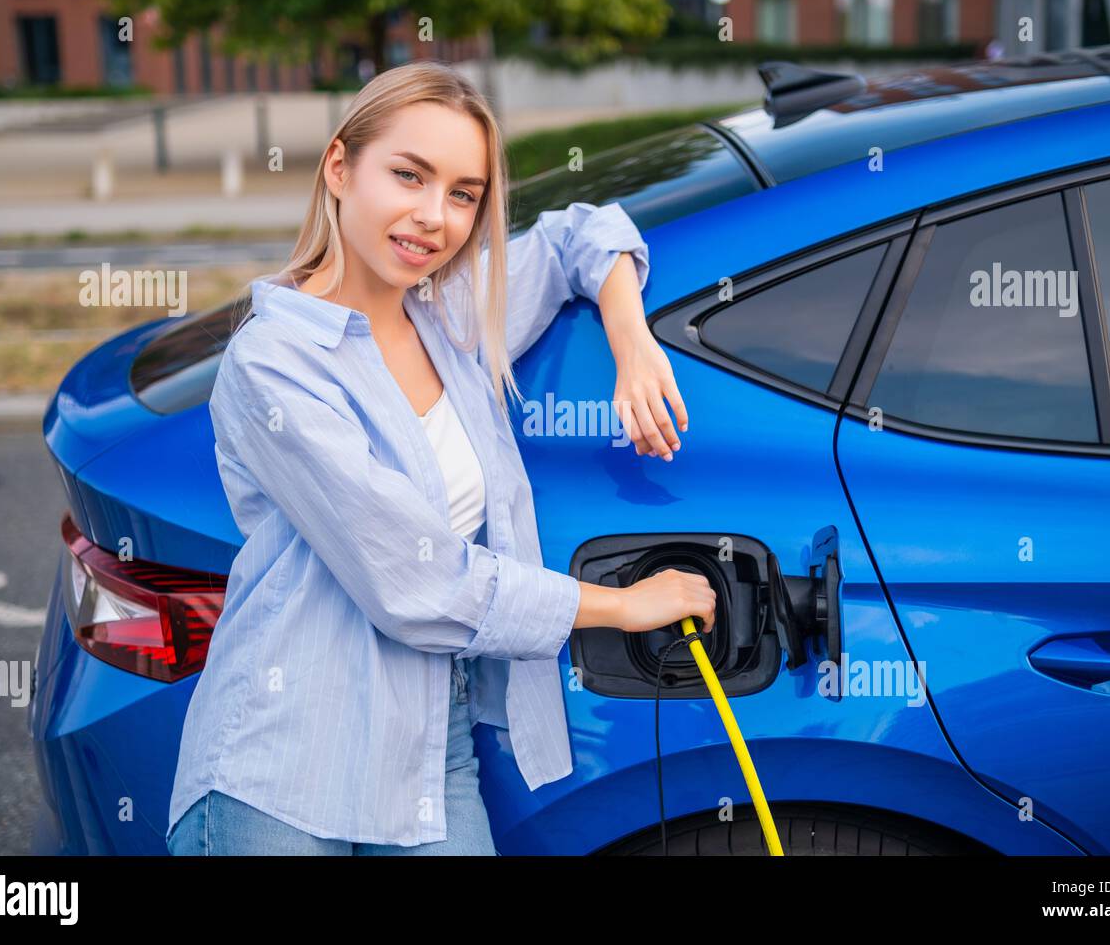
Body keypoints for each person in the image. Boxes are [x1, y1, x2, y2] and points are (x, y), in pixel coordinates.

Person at [166, 61, 716, 856]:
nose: (434, 217)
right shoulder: (274, 364)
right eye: (409, 175)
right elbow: (415, 582)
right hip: (279, 773)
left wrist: (631, 340)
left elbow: (579, 234)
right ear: (338, 167)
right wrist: (624, 605)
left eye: (463, 194)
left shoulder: (455, 313)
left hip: (427, 754)